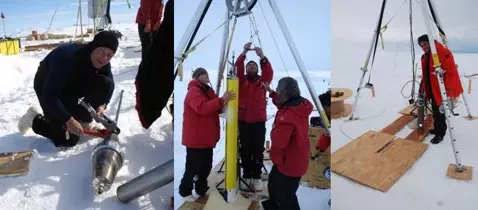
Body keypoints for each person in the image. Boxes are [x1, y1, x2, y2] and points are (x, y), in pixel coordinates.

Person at [17, 31, 120, 147]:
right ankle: (33, 119)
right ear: (93, 46)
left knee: (104, 83)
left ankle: (81, 119)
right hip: (47, 85)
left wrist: (103, 104)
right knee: (68, 138)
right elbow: (50, 96)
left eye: (110, 55)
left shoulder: (103, 61)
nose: (105, 58)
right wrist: (69, 120)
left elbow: (109, 84)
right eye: (102, 51)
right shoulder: (66, 58)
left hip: (72, 82)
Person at [179, 68, 235, 201]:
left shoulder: (207, 91)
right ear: (197, 77)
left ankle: (201, 188)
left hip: (206, 137)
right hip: (196, 138)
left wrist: (226, 105)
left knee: (206, 166)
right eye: (204, 74)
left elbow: (215, 106)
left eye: (207, 74)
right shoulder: (194, 91)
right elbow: (202, 108)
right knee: (192, 167)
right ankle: (185, 191)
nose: (207, 76)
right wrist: (222, 100)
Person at [262, 77, 313, 210]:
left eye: (279, 88)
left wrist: (274, 129)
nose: (277, 90)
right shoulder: (299, 105)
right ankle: (272, 205)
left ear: (285, 92)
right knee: (273, 183)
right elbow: (283, 105)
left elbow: (279, 142)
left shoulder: (287, 116)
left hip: (289, 161)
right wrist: (272, 92)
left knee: (285, 195)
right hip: (296, 157)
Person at [235, 42, 274, 191]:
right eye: (249, 66)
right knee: (245, 149)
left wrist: (262, 57)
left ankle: (256, 176)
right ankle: (247, 174)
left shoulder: (262, 82)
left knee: (257, 149)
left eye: (254, 66)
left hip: (258, 121)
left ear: (257, 69)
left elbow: (269, 72)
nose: (251, 67)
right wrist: (244, 52)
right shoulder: (241, 81)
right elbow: (238, 67)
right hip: (243, 120)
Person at [418, 34, 463, 144]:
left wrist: (448, 90)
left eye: (425, 44)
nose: (424, 47)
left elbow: (451, 72)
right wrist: (423, 86)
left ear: (430, 42)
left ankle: (440, 134)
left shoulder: (442, 52)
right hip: (432, 89)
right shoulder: (426, 56)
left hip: (442, 90)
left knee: (439, 112)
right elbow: (426, 74)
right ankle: (438, 129)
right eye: (421, 46)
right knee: (435, 111)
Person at [135, 0, 173, 129]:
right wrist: (148, 22)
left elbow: (160, 12)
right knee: (147, 48)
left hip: (155, 24)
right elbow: (146, 7)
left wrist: (157, 24)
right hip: (145, 22)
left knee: (153, 47)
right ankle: (146, 67)